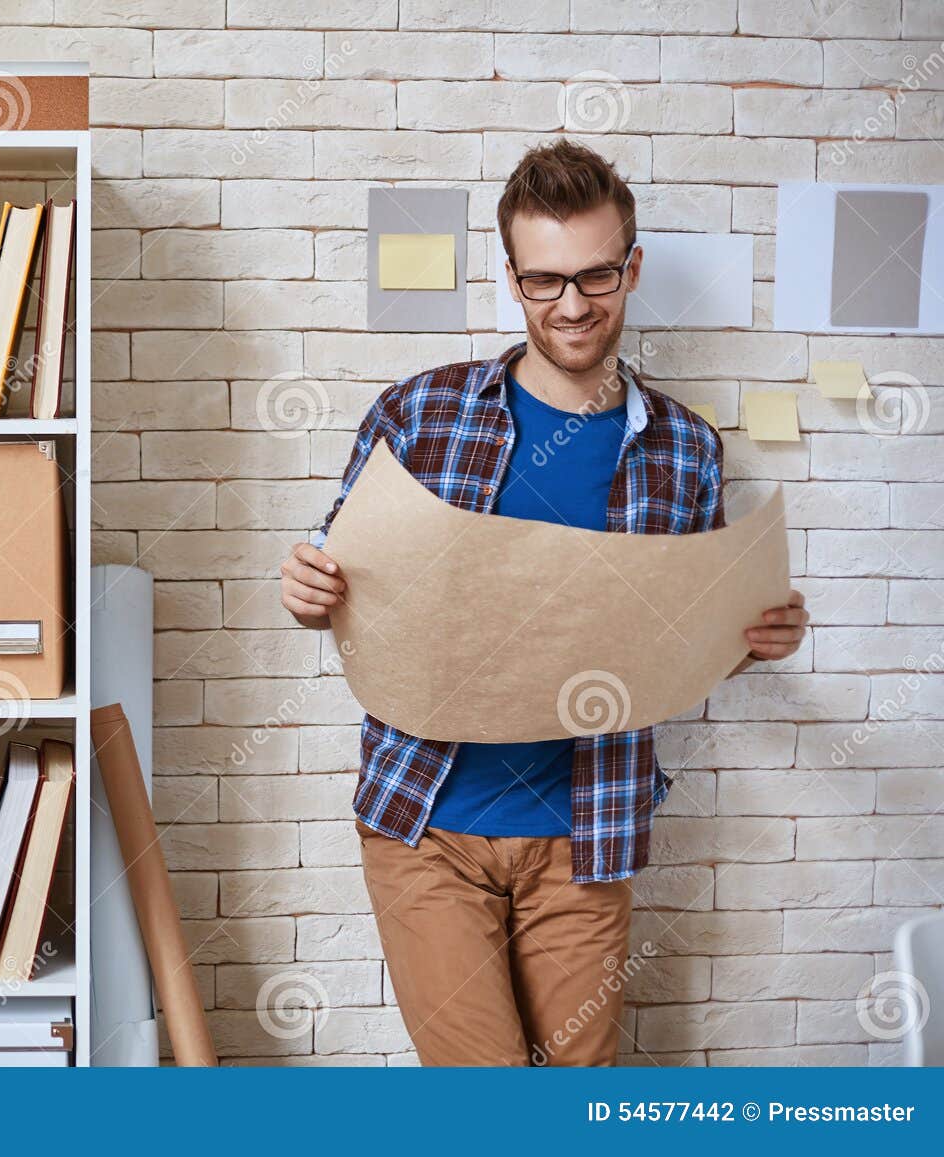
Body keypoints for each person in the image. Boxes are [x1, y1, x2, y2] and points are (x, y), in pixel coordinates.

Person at [280, 140, 808, 1066]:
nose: (572, 304)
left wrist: (753, 637)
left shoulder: (686, 448)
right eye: (545, 280)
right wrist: (308, 589)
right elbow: (340, 578)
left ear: (632, 266)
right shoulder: (420, 414)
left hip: (587, 829)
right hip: (426, 821)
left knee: (575, 1100)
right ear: (514, 278)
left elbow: (684, 639)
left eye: (597, 275)